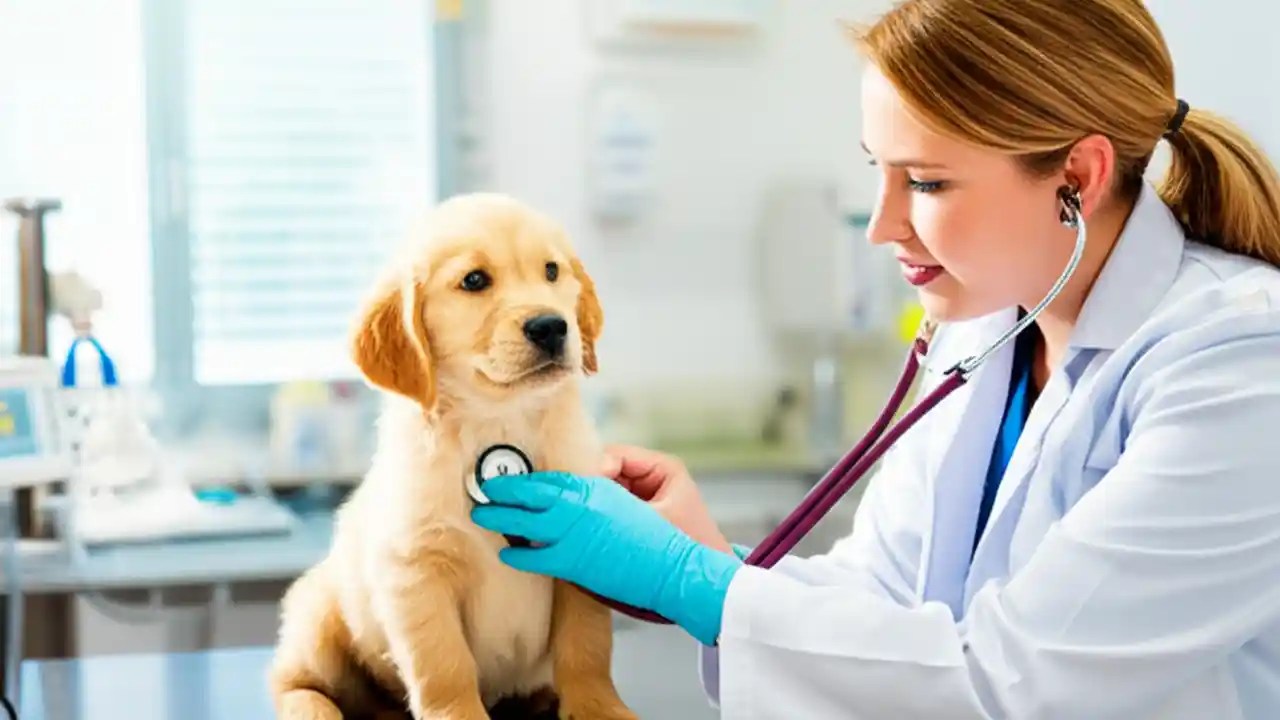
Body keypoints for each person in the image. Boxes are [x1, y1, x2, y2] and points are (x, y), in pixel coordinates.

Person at [470, 0, 1280, 717]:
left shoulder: (1239, 365)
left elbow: (1011, 683)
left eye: (925, 182)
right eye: (878, 173)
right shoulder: (988, 327)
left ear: (1078, 174)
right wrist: (713, 563)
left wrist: (696, 585)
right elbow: (890, 605)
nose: (881, 225)